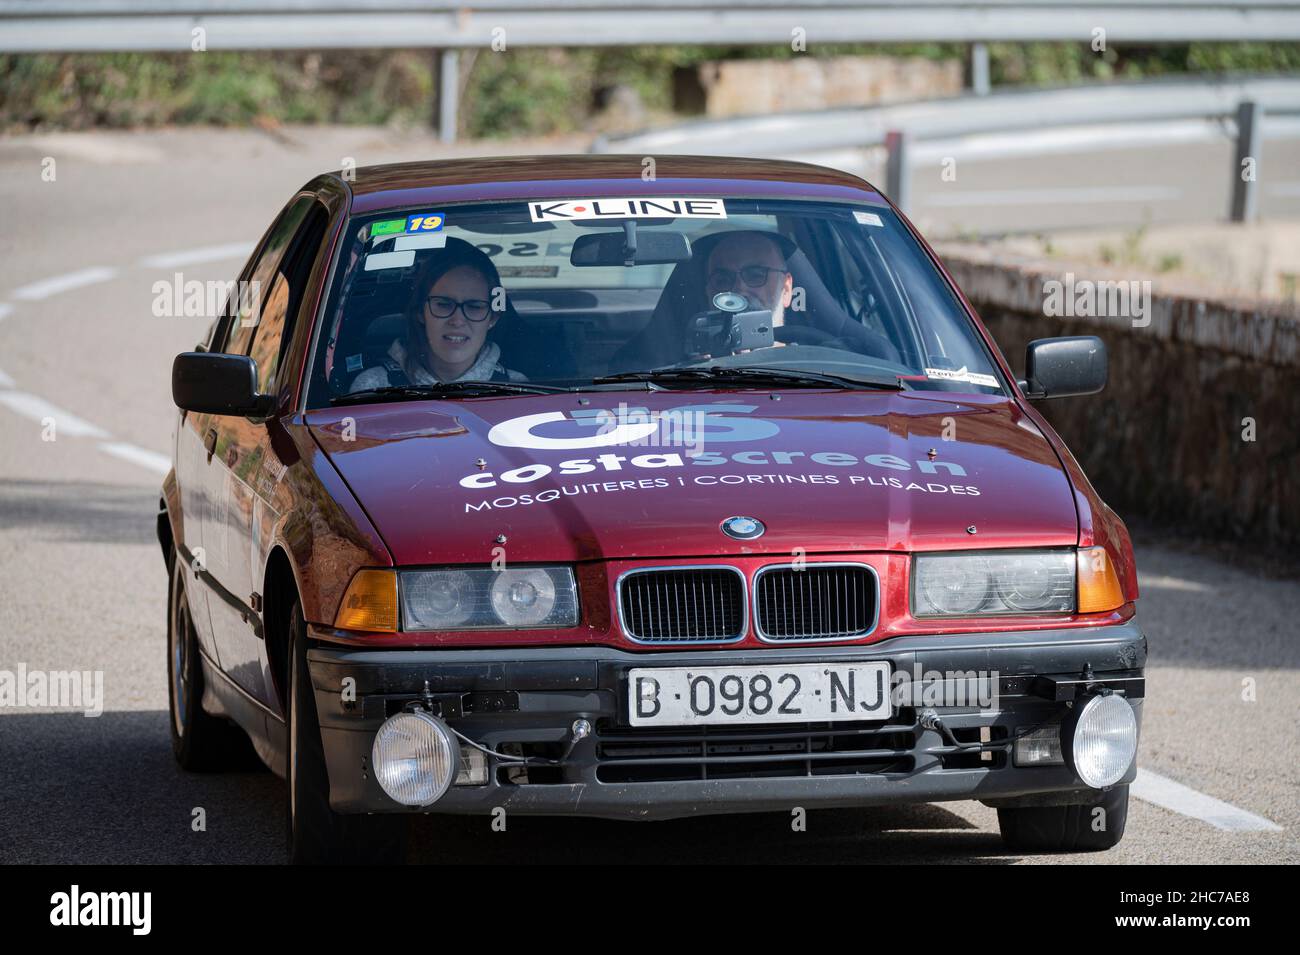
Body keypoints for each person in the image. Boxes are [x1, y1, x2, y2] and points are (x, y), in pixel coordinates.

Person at [350, 237, 525, 390]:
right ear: (420, 311)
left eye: (474, 306)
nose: (457, 320)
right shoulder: (373, 386)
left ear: (493, 318)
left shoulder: (519, 389)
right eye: (443, 304)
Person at [703, 231, 794, 333]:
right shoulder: (685, 349)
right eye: (723, 280)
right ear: (708, 292)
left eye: (755, 275)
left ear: (786, 289)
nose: (739, 291)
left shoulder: (810, 349)